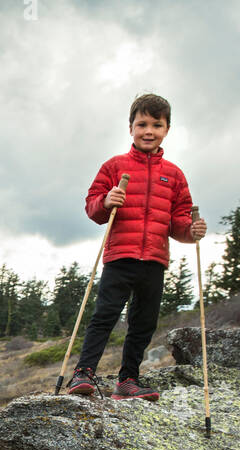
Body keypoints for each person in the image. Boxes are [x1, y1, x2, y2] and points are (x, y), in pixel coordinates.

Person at [67, 93, 208, 400]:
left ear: (167, 129)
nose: (148, 130)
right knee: (105, 315)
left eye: (156, 125)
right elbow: (93, 209)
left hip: (155, 260)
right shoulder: (114, 166)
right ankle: (83, 373)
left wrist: (191, 230)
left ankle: (128, 380)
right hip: (120, 255)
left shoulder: (174, 174)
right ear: (130, 127)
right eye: (142, 123)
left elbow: (179, 221)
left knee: (143, 323)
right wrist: (106, 201)